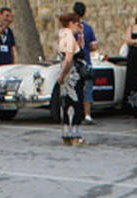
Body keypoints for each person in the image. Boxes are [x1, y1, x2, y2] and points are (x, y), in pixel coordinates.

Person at [55, 11, 84, 144]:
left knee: (67, 103)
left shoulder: (64, 35)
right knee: (75, 102)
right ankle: (75, 134)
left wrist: (81, 35)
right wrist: (62, 75)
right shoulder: (69, 38)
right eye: (77, 23)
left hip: (68, 74)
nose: (79, 25)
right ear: (71, 23)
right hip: (73, 75)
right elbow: (68, 59)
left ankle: (67, 132)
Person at [73, 3, 97, 123]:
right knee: (87, 90)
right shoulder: (88, 28)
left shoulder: (70, 29)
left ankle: (75, 113)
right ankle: (87, 115)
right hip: (86, 62)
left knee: (75, 90)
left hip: (74, 63)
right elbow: (94, 46)